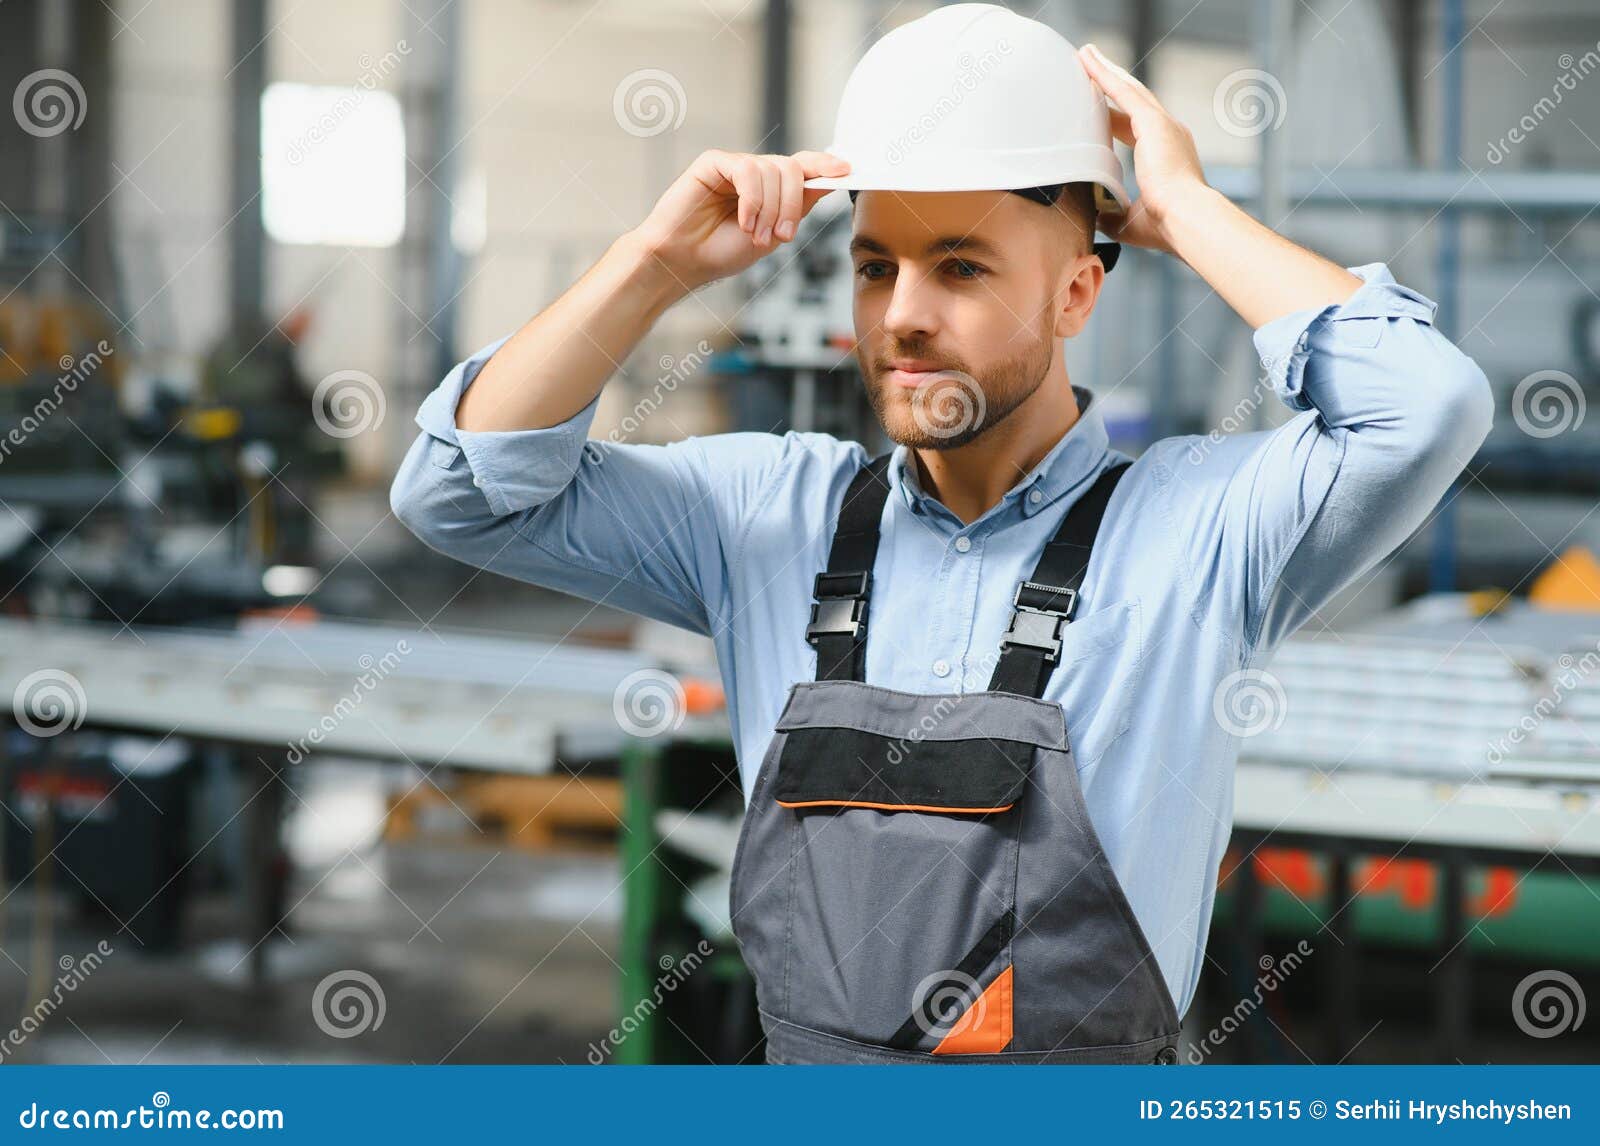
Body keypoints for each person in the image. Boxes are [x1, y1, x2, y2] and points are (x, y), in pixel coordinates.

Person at [391, 7, 1493, 1063]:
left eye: (960, 266)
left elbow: (1424, 406)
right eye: (877, 267)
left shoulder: (1202, 532)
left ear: (1075, 293)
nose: (902, 314)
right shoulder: (766, 517)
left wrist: (1190, 212)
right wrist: (654, 267)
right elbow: (458, 491)